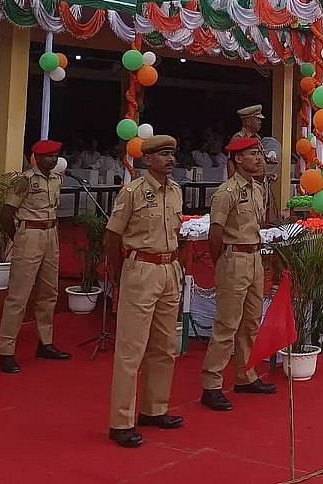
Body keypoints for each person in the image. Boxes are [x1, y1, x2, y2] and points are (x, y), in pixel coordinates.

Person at [105, 134, 185, 447]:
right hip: (141, 268)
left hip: (168, 269)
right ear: (148, 159)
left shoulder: (176, 191)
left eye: (171, 153)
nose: (169, 159)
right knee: (131, 348)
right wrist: (118, 273)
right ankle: (121, 421)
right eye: (162, 154)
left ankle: (155, 408)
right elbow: (113, 236)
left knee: (164, 345)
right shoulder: (133, 191)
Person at [201, 137, 275, 411]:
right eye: (252, 153)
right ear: (238, 159)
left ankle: (246, 374)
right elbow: (215, 232)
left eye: (258, 153)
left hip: (254, 256)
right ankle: (212, 384)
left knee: (251, 321)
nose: (258, 158)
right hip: (234, 257)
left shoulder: (257, 189)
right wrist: (222, 260)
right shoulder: (226, 192)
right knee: (227, 324)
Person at [0, 140, 70, 373]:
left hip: (51, 234)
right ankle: (6, 352)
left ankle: (45, 343)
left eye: (56, 155)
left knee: (49, 293)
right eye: (49, 156)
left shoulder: (57, 179)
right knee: (18, 296)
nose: (54, 159)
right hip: (30, 233)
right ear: (36, 158)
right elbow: (6, 214)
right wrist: (18, 238)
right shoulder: (25, 180)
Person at [225, 105, 266, 177]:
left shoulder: (257, 138)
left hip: (258, 182)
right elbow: (231, 164)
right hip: (245, 181)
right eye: (257, 119)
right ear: (248, 122)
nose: (260, 122)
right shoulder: (238, 138)